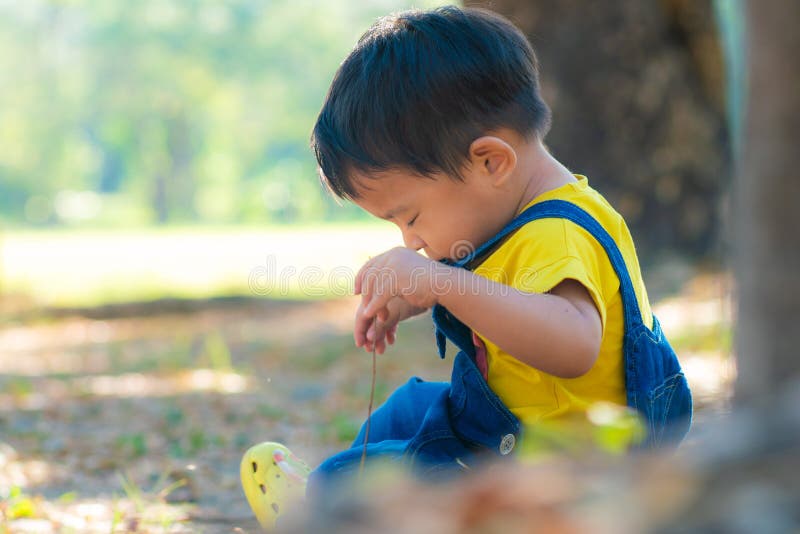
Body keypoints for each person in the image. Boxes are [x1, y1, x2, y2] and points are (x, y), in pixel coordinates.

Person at [241, 5, 692, 528]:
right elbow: (506, 298)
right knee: (407, 409)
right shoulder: (515, 216)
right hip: (512, 419)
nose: (410, 240)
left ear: (491, 162)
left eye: (410, 216)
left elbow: (573, 344)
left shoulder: (557, 231)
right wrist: (422, 295)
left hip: (559, 457)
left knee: (368, 472)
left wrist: (442, 281)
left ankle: (329, 508)